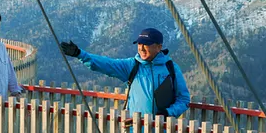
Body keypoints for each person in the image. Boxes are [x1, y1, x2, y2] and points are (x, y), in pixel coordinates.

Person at [60, 27, 190, 117]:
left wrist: (168, 112)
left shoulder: (171, 68)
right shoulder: (132, 65)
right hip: (135, 130)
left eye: (146, 44)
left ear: (159, 47)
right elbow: (107, 64)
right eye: (139, 44)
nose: (141, 48)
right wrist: (80, 54)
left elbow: (183, 99)